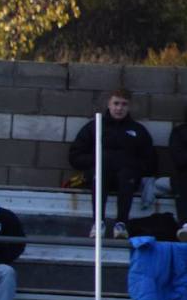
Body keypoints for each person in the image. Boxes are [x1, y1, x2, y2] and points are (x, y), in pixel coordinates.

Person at [69, 88, 157, 239]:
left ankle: (121, 224)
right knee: (101, 172)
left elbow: (150, 162)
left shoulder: (137, 130)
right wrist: (99, 159)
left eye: (124, 104)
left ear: (129, 107)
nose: (119, 108)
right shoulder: (94, 127)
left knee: (127, 174)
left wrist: (132, 166)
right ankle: (98, 223)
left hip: (127, 178)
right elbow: (75, 156)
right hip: (99, 175)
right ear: (108, 104)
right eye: (116, 103)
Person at [171, 109, 187, 242]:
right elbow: (179, 159)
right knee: (181, 180)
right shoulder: (179, 132)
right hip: (183, 176)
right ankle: (186, 226)